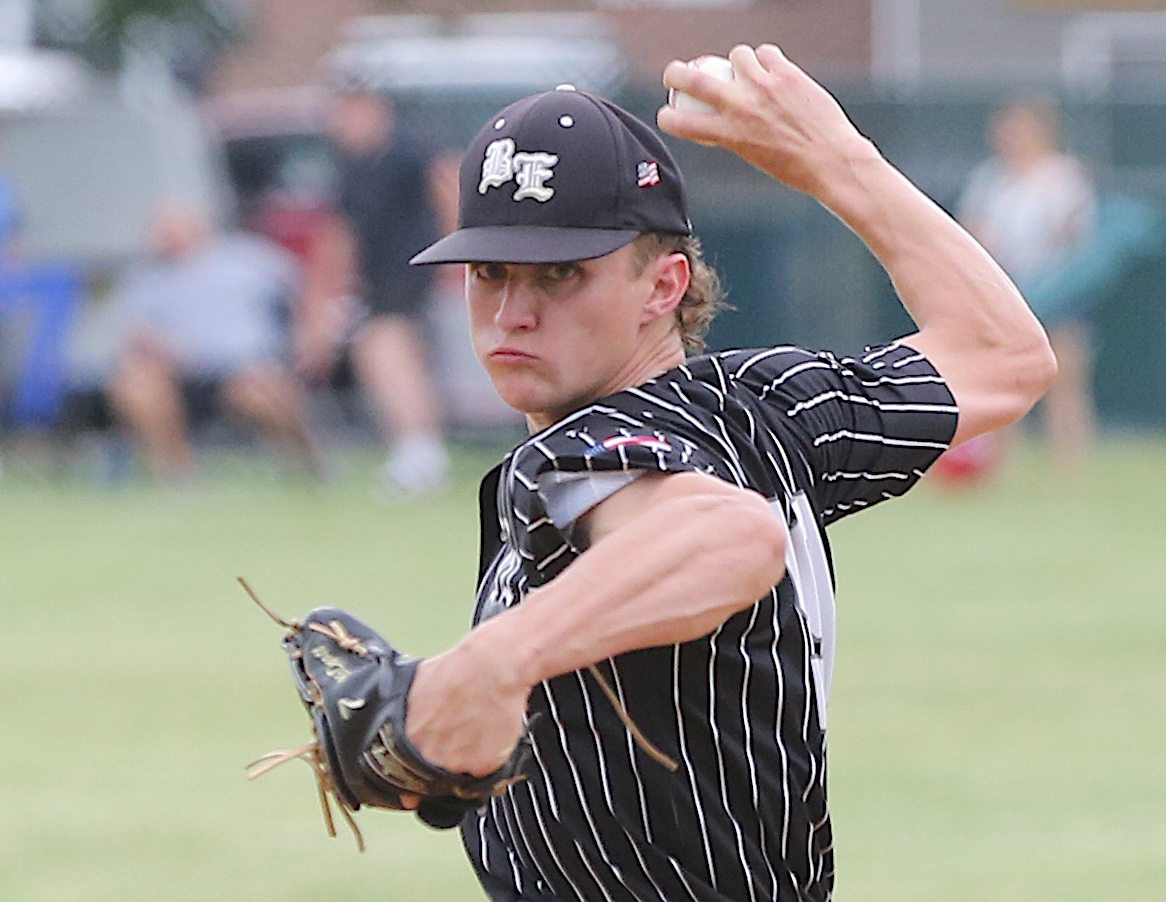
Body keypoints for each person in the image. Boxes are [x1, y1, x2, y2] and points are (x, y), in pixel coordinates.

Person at [397, 44, 1055, 901]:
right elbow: (1001, 354)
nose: (512, 311)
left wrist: (487, 666)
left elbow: (728, 535)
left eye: (560, 273)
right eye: (490, 272)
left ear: (663, 284)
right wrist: (841, 165)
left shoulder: (577, 453)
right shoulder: (769, 407)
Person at [107, 201, 323, 484]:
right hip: (181, 372)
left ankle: (307, 463)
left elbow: (303, 292)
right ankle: (176, 476)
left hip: (244, 366)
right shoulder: (146, 277)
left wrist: (309, 336)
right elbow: (135, 331)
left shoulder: (249, 259)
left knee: (260, 391)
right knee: (136, 387)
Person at [322, 79, 454, 500]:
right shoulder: (352, 168)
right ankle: (414, 447)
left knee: (385, 348)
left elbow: (448, 187)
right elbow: (343, 234)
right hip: (378, 280)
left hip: (417, 271)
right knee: (380, 354)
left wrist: (459, 255)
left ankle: (421, 452)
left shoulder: (409, 148)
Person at [956, 96, 1096, 476]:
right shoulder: (990, 179)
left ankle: (1068, 471)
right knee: (1004, 385)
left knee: (1065, 382)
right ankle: (1002, 469)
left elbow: (1076, 234)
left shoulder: (1063, 176)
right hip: (1005, 294)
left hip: (1056, 294)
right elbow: (971, 229)